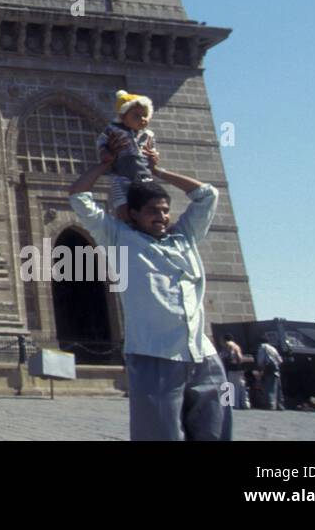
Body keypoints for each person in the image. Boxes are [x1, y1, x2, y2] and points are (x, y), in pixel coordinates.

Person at [67, 148, 231, 441]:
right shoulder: (118, 238)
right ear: (133, 213)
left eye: (165, 210)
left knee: (215, 433)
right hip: (154, 355)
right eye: (153, 211)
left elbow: (208, 195)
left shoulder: (184, 237)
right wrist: (103, 166)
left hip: (202, 355)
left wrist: (159, 172)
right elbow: (79, 196)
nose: (162, 216)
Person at [96, 91, 158, 217]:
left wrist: (153, 156)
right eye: (137, 116)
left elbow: (151, 150)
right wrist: (104, 152)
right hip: (121, 174)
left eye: (145, 115)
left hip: (144, 174)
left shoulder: (148, 135)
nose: (142, 119)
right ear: (123, 117)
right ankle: (124, 222)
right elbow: (102, 141)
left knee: (149, 201)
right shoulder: (114, 129)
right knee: (122, 204)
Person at [220, 334, 249, 410]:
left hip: (233, 368)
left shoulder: (228, 345)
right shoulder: (237, 346)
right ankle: (244, 404)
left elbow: (229, 356)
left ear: (225, 339)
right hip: (240, 369)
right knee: (241, 386)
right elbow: (240, 357)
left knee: (233, 386)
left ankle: (235, 404)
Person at [256, 339, 285, 410]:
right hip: (276, 370)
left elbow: (260, 360)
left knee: (269, 388)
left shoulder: (262, 347)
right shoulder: (273, 348)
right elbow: (280, 361)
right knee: (278, 389)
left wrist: (260, 368)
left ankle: (270, 405)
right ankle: (280, 405)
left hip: (269, 370)